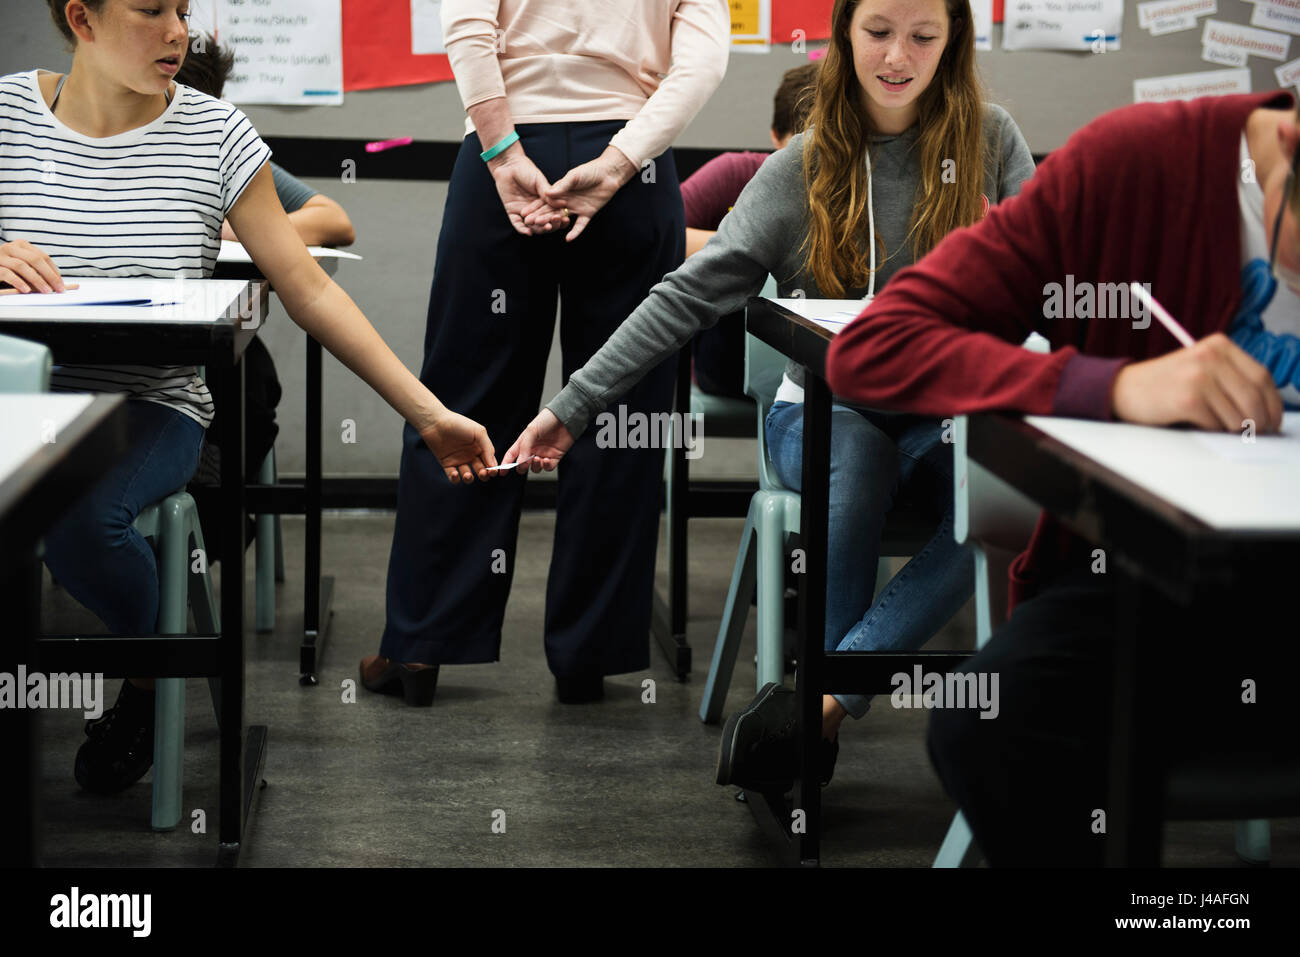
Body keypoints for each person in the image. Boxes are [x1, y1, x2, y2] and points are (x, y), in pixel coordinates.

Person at [508, 0, 1034, 785]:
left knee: (1008, 497)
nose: (899, 55)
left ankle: (817, 704)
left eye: (924, 36)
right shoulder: (802, 166)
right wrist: (572, 407)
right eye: (879, 32)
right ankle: (814, 723)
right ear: (844, 36)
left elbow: (1047, 272)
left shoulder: (991, 139)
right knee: (851, 467)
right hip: (823, 409)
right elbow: (684, 298)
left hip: (941, 410)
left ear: (953, 39)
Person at [1, 0, 496, 794]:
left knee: (79, 513)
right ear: (81, 20)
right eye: (151, 10)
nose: (178, 33)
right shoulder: (8, 118)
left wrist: (429, 412)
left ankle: (146, 672)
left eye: (183, 11)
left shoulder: (214, 135)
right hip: (18, 398)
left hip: (151, 403)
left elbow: (309, 289)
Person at [820, 77, 1299, 864]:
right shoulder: (1139, 167)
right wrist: (1106, 387)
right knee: (994, 723)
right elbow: (875, 346)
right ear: (1289, 141)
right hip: (1157, 584)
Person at [360, 0, 730, 707]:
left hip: (506, 148)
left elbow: (468, 25)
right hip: (632, 166)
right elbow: (703, 60)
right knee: (618, 411)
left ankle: (421, 644)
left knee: (465, 397)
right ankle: (589, 652)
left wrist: (503, 154)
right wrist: (622, 160)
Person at [175, 34, 356, 551]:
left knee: (250, 384)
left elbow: (335, 221)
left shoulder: (224, 151)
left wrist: (249, 226)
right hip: (132, 345)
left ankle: (212, 521)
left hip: (216, 343)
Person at [685, 60, 819, 398]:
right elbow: (662, 234)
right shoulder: (734, 172)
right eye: (802, 151)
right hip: (727, 365)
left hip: (828, 368)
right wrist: (754, 250)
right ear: (776, 137)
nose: (816, 169)